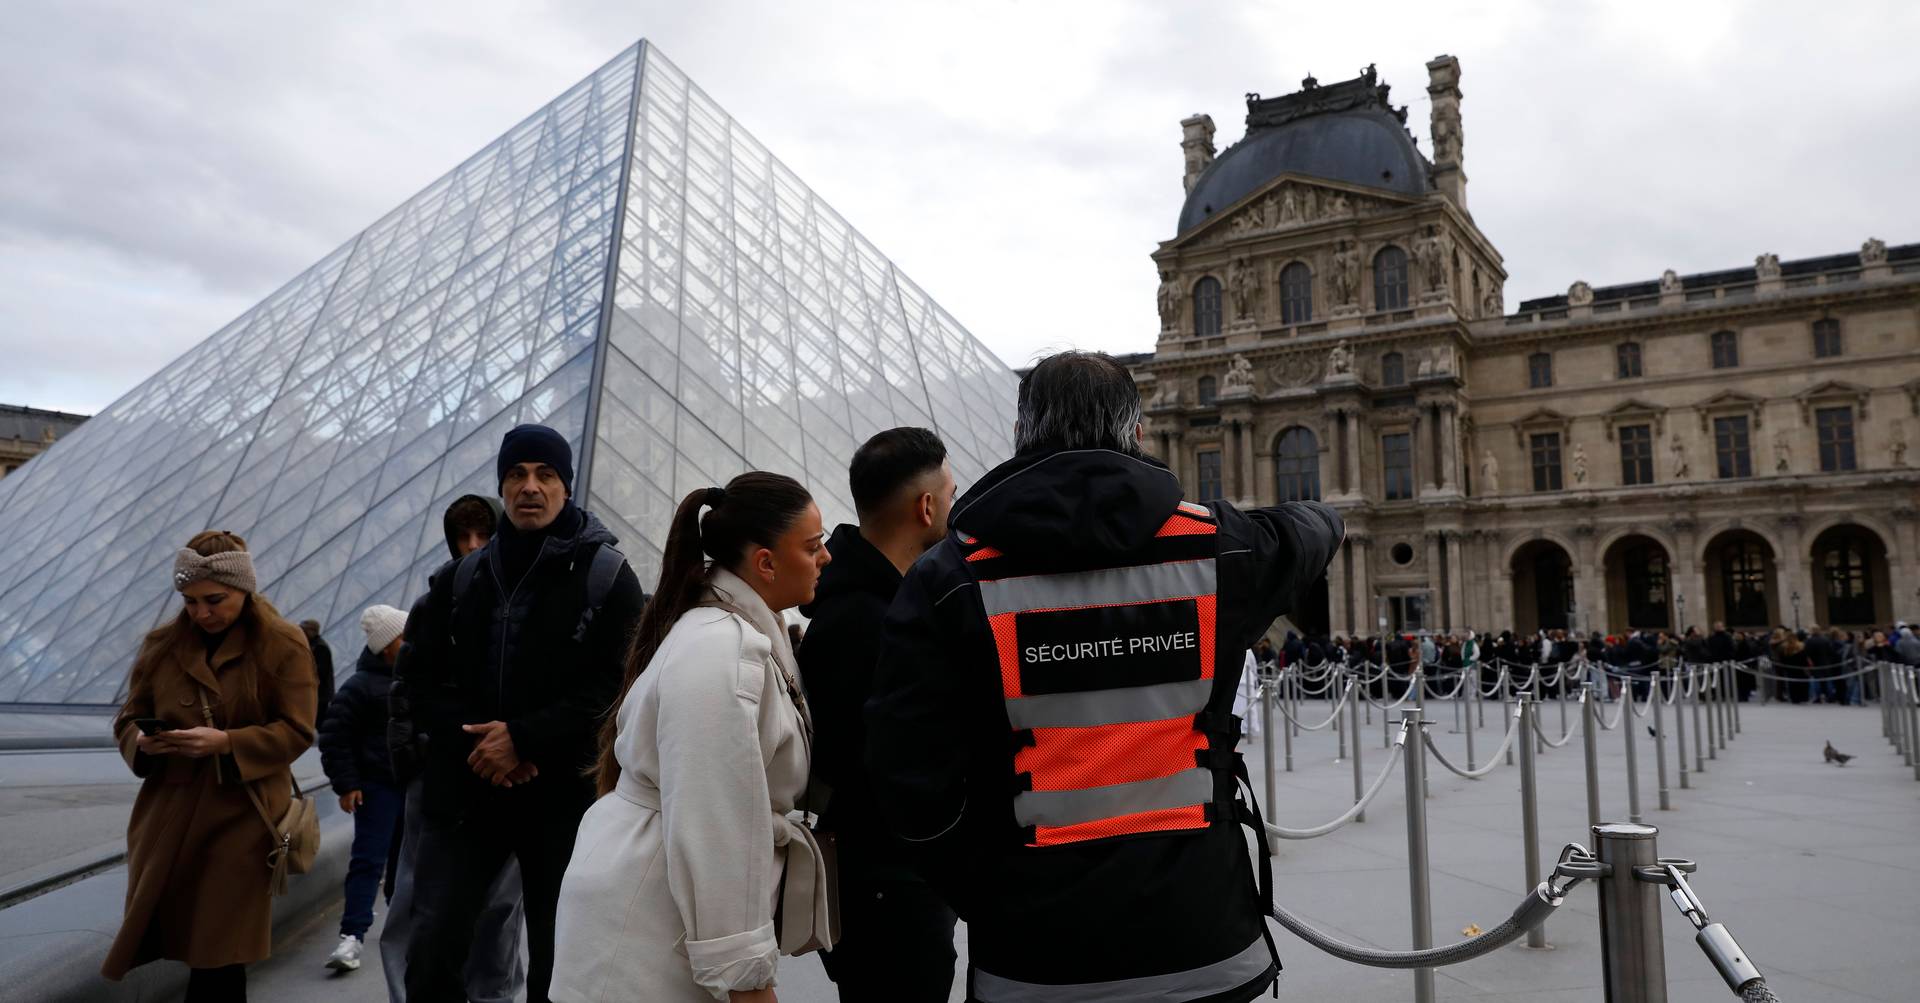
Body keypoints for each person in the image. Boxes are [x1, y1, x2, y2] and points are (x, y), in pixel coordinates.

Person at [865, 351, 1344, 1002]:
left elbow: (910, 788)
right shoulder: (1222, 548)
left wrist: (992, 889)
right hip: (1201, 940)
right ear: (1138, 434)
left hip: (1034, 957)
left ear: (1019, 435)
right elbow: (1317, 528)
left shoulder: (950, 578)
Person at [551, 472, 830, 1002]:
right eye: (813, 547)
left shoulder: (728, 634)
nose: (825, 559)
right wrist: (746, 978)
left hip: (656, 905)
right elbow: (715, 825)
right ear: (765, 563)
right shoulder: (720, 653)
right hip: (650, 923)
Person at [403, 425, 645, 1003]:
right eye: (516, 474)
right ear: (501, 486)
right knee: (433, 954)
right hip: (472, 789)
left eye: (545, 474)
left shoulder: (607, 577)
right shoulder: (461, 578)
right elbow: (418, 679)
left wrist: (524, 739)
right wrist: (488, 746)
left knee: (561, 962)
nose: (529, 487)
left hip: (563, 795)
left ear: (566, 485)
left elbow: (620, 688)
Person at [103, 530, 317, 1000]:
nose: (201, 612)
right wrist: (141, 740)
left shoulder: (283, 645)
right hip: (170, 816)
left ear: (244, 588)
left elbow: (298, 730)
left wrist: (226, 742)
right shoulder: (162, 644)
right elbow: (127, 716)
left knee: (218, 955)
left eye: (214, 599)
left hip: (241, 817)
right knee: (198, 951)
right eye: (190, 600)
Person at [795, 428, 960, 1002]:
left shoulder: (855, 607)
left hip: (878, 876)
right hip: (889, 880)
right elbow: (865, 761)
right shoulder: (876, 622)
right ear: (927, 506)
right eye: (951, 494)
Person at [380, 494, 529, 1003]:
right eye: (461, 537)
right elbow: (408, 691)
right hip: (440, 779)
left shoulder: (523, 601)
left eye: (482, 535)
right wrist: (414, 761)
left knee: (499, 913)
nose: (471, 546)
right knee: (417, 909)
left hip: (505, 776)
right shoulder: (436, 601)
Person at [319, 604, 409, 972]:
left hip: (409, 785)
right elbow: (334, 737)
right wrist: (347, 784)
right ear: (387, 645)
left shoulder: (414, 679)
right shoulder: (360, 687)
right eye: (406, 637)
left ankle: (399, 926)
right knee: (369, 860)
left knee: (405, 863)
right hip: (376, 787)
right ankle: (352, 935)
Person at [302, 618, 336, 731]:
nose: (302, 633)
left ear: (312, 631)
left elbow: (320, 670)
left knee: (319, 720)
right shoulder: (313, 645)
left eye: (304, 631)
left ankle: (327, 739)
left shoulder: (320, 647)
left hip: (321, 692)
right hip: (317, 691)